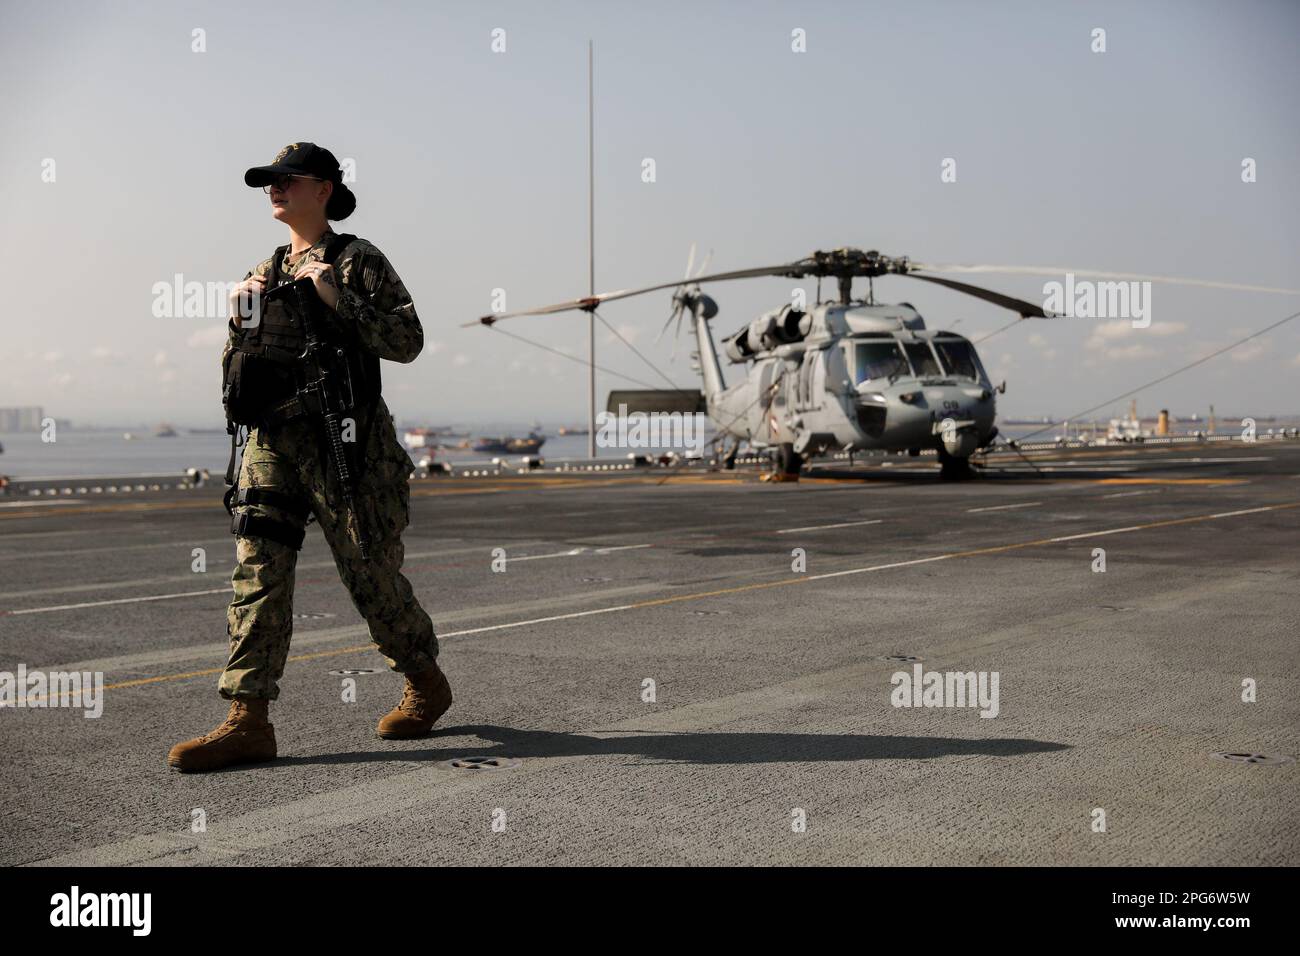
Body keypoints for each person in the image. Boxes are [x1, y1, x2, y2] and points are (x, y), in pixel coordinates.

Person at [168, 143, 451, 773]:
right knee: (257, 575)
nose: (273, 189)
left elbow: (408, 341)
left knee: (369, 575)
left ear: (322, 189)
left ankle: (425, 680)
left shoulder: (356, 259)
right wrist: (241, 317)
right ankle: (248, 720)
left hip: (343, 442)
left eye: (285, 180)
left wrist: (333, 297)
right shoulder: (263, 268)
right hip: (273, 443)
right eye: (268, 182)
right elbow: (238, 369)